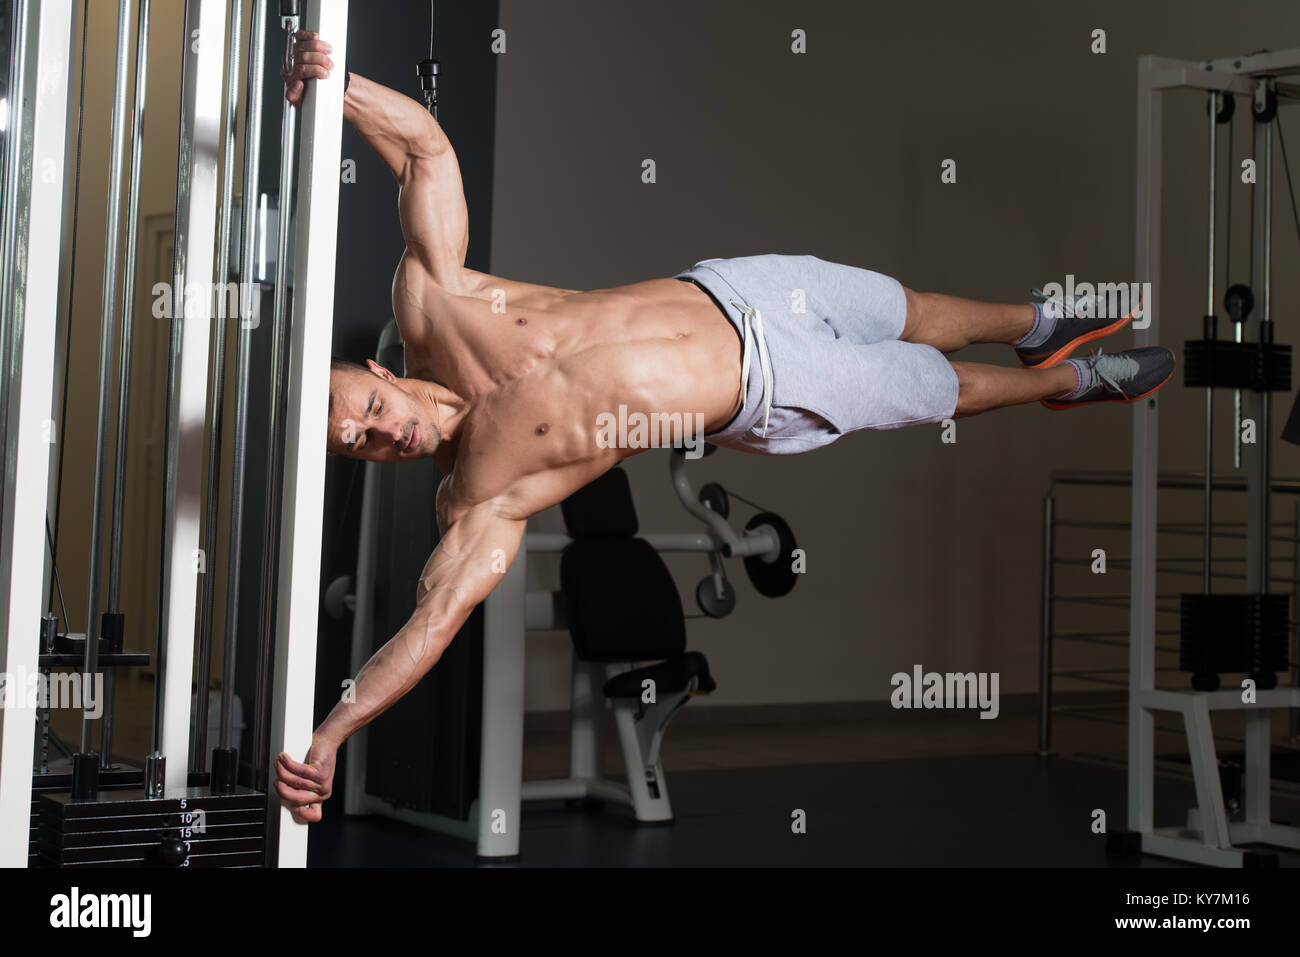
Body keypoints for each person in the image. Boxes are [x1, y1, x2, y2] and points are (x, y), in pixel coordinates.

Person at [273, 32, 1175, 823]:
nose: (382, 436)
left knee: (915, 307)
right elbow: (429, 626)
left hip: (737, 287)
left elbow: (425, 148)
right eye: (360, 445)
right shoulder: (481, 500)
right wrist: (333, 731)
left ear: (384, 374)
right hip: (767, 383)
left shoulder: (436, 302)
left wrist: (335, 83)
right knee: (942, 389)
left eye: (370, 412)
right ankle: (1069, 378)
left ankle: (1036, 324)